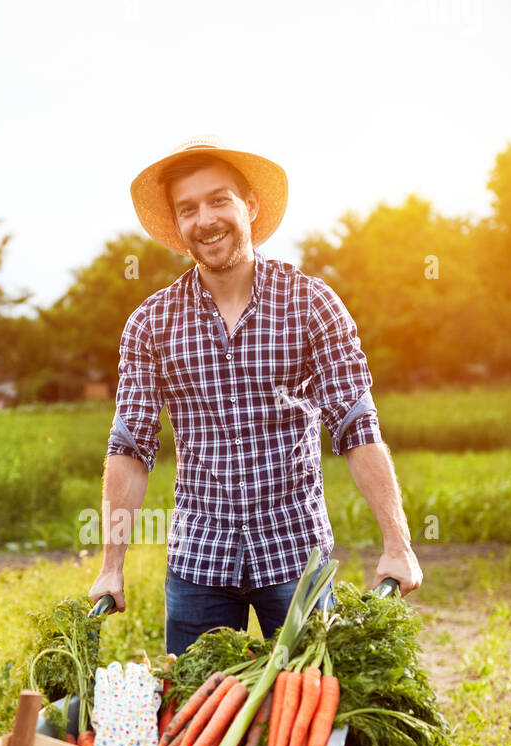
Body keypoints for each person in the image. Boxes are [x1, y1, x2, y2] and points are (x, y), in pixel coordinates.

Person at [88, 135, 422, 655]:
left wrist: (398, 544)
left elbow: (356, 425)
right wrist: (111, 566)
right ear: (178, 226)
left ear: (251, 205)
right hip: (200, 560)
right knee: (195, 721)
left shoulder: (311, 304)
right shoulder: (150, 324)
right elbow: (130, 446)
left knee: (311, 712)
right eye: (189, 209)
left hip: (293, 555)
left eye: (219, 199)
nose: (206, 219)